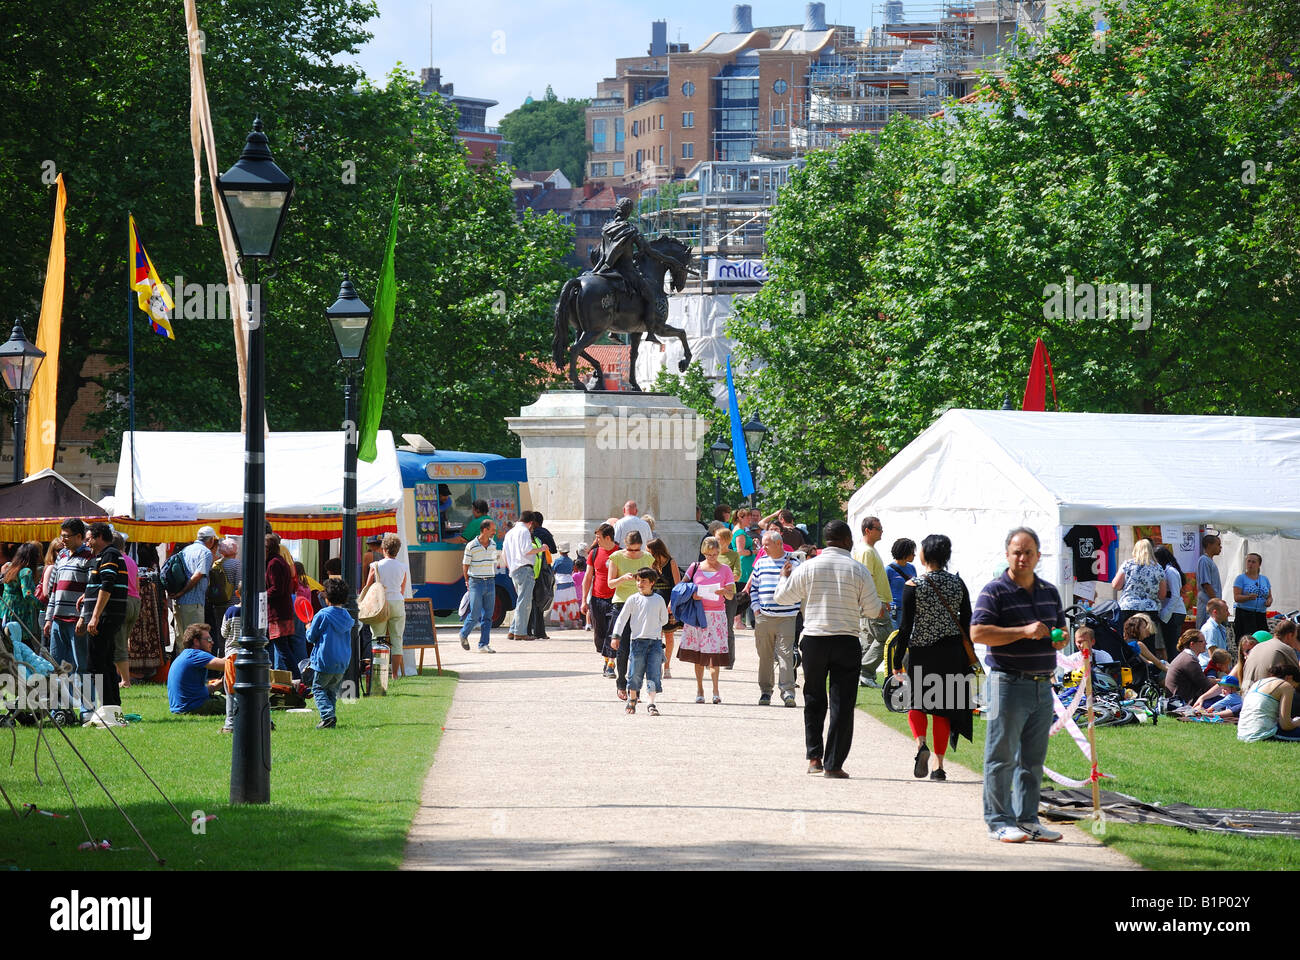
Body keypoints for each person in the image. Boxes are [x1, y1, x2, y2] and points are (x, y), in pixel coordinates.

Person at [970, 527, 1067, 843]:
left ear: (1038, 555)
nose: (1022, 557)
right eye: (1016, 552)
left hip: (1042, 685)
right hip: (1007, 683)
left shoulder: (1050, 592)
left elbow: (1059, 632)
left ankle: (1028, 820)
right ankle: (998, 821)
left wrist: (1060, 640)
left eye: (1028, 552)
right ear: (1007, 554)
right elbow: (978, 634)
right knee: (1001, 756)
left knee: (1032, 761)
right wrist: (1023, 631)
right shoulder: (995, 591)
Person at [773, 520, 879, 778]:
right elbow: (874, 610)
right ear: (846, 540)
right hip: (846, 638)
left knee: (814, 698)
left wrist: (783, 578)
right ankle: (834, 763)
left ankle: (814, 757)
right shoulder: (858, 570)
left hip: (815, 638)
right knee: (842, 703)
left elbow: (782, 598)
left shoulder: (808, 567)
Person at [889, 534, 975, 782]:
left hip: (921, 652)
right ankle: (938, 764)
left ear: (925, 554)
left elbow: (905, 628)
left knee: (916, 702)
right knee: (942, 709)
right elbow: (967, 621)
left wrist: (896, 661)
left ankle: (921, 744)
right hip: (951, 653)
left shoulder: (914, 585)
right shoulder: (958, 584)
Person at [677, 536, 736, 705]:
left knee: (714, 655)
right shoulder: (695, 567)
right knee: (698, 655)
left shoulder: (725, 569)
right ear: (704, 552)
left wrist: (724, 591)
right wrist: (692, 594)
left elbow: (731, 594)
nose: (712, 557)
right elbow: (682, 587)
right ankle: (700, 689)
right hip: (697, 614)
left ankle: (716, 690)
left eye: (715, 554)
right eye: (709, 554)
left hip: (716, 616)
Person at [745, 530, 801, 707]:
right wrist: (756, 610)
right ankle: (765, 692)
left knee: (786, 655)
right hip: (764, 617)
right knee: (765, 656)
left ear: (779, 543)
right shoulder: (761, 563)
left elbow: (800, 588)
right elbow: (753, 588)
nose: (763, 548)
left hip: (787, 617)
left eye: (766, 544)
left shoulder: (794, 563)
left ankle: (788, 693)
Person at [80, 522, 128, 723]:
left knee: (96, 663)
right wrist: (86, 597)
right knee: (106, 662)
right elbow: (101, 584)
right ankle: (112, 708)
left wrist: (95, 616)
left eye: (89, 538)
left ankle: (107, 710)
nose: (87, 542)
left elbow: (107, 585)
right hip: (105, 615)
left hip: (106, 616)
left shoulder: (109, 554)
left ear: (99, 536)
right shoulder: (103, 556)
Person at [611, 568, 669, 716]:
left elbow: (664, 620)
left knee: (654, 672)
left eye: (643, 581)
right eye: (638, 580)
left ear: (652, 582)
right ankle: (632, 698)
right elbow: (622, 618)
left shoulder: (659, 600)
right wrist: (616, 636)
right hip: (637, 641)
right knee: (635, 672)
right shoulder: (633, 599)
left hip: (655, 642)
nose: (640, 583)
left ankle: (651, 702)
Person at [44, 520, 93, 674]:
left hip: (76, 619)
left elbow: (90, 590)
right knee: (55, 663)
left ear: (79, 536)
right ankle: (58, 696)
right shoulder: (62, 556)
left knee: (80, 664)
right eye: (61, 535)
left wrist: (83, 617)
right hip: (58, 619)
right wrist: (48, 618)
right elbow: (54, 590)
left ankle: (82, 696)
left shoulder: (89, 556)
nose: (62, 539)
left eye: (66, 536)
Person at [307, 577, 355, 729]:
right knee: (331, 691)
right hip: (342, 661)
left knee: (318, 688)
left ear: (327, 597)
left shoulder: (322, 614)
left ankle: (327, 716)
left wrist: (308, 627)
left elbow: (311, 637)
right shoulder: (347, 615)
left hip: (325, 660)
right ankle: (331, 717)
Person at [608, 530, 649, 700]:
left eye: (637, 550)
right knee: (623, 648)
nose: (634, 554)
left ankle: (636, 687)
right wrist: (623, 579)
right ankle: (621, 682)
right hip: (621, 602)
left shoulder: (647, 557)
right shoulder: (616, 557)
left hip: (641, 603)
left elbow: (651, 581)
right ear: (625, 545)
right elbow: (610, 584)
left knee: (639, 649)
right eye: (631, 550)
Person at [853, 516, 893, 688]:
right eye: (878, 528)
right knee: (887, 638)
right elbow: (865, 580)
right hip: (874, 603)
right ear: (868, 530)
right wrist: (876, 603)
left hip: (875, 602)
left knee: (868, 641)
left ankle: (858, 674)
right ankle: (865, 672)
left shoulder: (867, 549)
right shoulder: (866, 551)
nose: (882, 531)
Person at [363, 533, 410, 679]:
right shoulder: (403, 567)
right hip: (397, 601)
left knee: (378, 639)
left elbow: (368, 585)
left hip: (381, 603)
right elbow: (402, 589)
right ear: (397, 550)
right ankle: (395, 674)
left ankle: (380, 674)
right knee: (397, 639)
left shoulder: (375, 565)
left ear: (384, 548)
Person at [169, 526, 218, 656]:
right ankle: (193, 671)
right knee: (196, 641)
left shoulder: (186, 549)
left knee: (181, 639)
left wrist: (179, 594)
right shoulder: (206, 553)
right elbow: (197, 575)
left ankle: (181, 671)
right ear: (212, 540)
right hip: (193, 602)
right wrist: (182, 592)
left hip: (179, 602)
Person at [581, 524, 619, 676]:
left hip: (615, 599)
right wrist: (584, 600)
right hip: (596, 599)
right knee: (599, 634)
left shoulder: (620, 552)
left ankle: (611, 664)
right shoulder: (594, 553)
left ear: (607, 538)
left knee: (613, 631)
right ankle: (606, 660)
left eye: (598, 537)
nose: (596, 540)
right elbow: (588, 577)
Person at [166, 623, 227, 715]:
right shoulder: (196, 655)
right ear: (196, 642)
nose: (212, 642)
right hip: (194, 707)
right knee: (240, 704)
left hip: (182, 708)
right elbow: (228, 665)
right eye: (209, 640)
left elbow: (197, 692)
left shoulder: (186, 655)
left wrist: (221, 682)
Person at [1111, 538, 1167, 632]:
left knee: (1127, 639)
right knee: (1147, 642)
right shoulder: (1158, 567)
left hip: (1128, 607)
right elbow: (1162, 595)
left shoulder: (1128, 564)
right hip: (1149, 609)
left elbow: (1116, 585)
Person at [502, 512, 542, 642]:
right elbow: (527, 550)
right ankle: (520, 632)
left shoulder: (509, 533)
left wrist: (510, 567)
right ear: (530, 522)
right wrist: (542, 548)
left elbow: (504, 554)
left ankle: (513, 630)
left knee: (521, 600)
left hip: (514, 569)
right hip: (525, 568)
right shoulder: (524, 531)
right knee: (525, 602)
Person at [1237, 663, 1300, 743]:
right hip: (1262, 734)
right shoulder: (1286, 686)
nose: (1293, 690)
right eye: (1294, 687)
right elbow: (1285, 725)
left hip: (1242, 733)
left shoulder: (1258, 683)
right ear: (1289, 678)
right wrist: (1296, 723)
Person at [265, 534, 298, 678]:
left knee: (282, 647)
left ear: (268, 548)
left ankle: (297, 679)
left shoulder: (274, 563)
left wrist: (261, 596)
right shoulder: (278, 561)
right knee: (277, 646)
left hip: (277, 611)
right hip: (280, 610)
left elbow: (277, 588)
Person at [646, 538, 681, 677]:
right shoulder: (650, 563)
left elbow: (677, 585)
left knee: (669, 635)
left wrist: (673, 603)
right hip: (654, 600)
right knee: (656, 636)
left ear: (656, 550)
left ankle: (667, 666)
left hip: (668, 600)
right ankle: (657, 665)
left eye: (649, 550)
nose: (646, 553)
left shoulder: (671, 562)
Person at [112, 535, 141, 688]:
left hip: (123, 600)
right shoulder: (131, 560)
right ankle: (121, 677)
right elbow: (136, 584)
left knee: (119, 643)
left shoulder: (114, 559)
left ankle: (125, 681)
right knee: (122, 641)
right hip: (135, 601)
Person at [0, 541, 42, 648]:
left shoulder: (9, 567)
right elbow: (27, 594)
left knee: (7, 644)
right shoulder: (25, 572)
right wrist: (42, 605)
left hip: (5, 612)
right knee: (24, 648)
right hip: (20, 616)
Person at [1240, 623, 1300, 689]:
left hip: (1247, 695)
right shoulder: (1285, 649)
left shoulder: (1256, 648)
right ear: (1289, 635)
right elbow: (1297, 678)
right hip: (1266, 695)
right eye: (1295, 637)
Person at [714, 526, 741, 668]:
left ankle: (729, 660)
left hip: (729, 595)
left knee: (727, 628)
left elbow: (737, 575)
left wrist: (724, 580)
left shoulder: (734, 555)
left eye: (718, 539)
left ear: (726, 540)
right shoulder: (712, 554)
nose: (715, 541)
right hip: (713, 595)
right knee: (712, 627)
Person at [1164, 630, 1215, 704]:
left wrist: (1217, 681)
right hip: (1183, 703)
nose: (1206, 643)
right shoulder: (1190, 661)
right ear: (1192, 644)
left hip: (1179, 700)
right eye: (1202, 641)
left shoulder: (1185, 657)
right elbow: (1206, 686)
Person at [1232, 553, 1273, 642]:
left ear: (1259, 564)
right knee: (1247, 640)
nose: (1250, 564)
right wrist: (1248, 597)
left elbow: (1270, 596)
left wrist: (1269, 601)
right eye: (1248, 561)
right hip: (1245, 614)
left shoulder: (1264, 579)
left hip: (1260, 615)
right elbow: (1236, 597)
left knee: (1262, 640)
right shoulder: (1240, 578)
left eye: (1253, 562)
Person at [1153, 544, 1185, 658]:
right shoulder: (1165, 570)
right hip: (1171, 612)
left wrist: (1165, 614)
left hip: (1174, 613)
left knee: (1172, 647)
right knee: (1169, 646)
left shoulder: (1171, 572)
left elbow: (1175, 595)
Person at [886, 538, 917, 631]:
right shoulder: (888, 570)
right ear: (905, 553)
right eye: (912, 552)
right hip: (895, 611)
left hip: (909, 610)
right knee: (895, 638)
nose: (914, 555)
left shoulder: (912, 568)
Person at [550, 541, 581, 629]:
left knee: (561, 604)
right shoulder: (571, 561)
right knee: (571, 603)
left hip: (561, 584)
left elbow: (553, 570)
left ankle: (562, 624)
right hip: (570, 583)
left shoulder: (558, 561)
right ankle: (574, 623)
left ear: (560, 551)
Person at [1196, 534, 1223, 628]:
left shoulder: (1210, 561)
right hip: (1207, 605)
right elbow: (1206, 584)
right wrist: (1216, 603)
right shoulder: (1204, 560)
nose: (1220, 547)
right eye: (1218, 544)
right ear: (1209, 545)